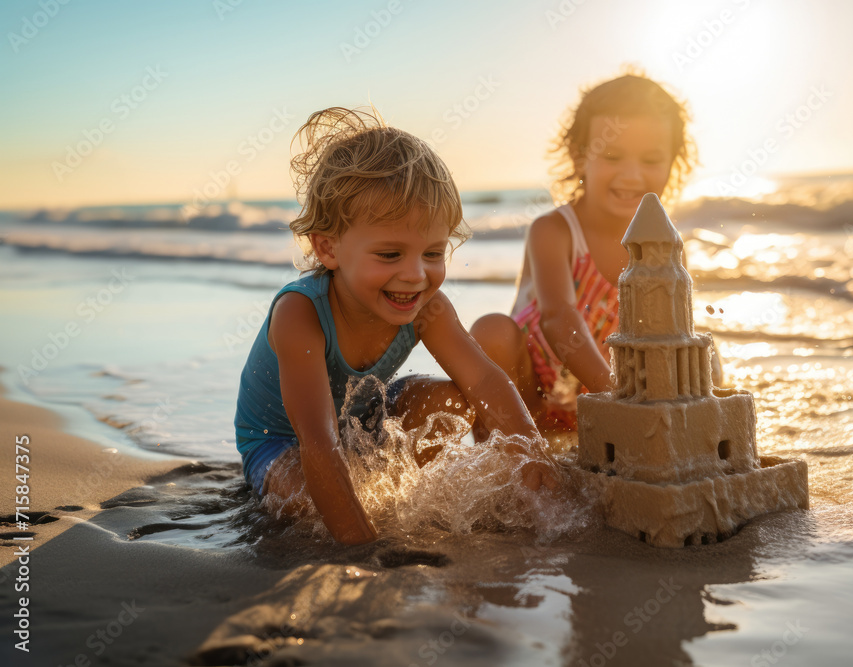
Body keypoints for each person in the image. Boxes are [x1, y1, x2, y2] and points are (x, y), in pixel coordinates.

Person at [234, 107, 561, 545]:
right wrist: (365, 547)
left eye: (432, 253)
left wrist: (532, 454)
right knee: (308, 506)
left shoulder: (428, 307)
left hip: (363, 417)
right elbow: (317, 437)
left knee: (452, 404)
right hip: (283, 441)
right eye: (390, 255)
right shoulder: (300, 315)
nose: (415, 275)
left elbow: (482, 377)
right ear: (328, 248)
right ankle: (356, 503)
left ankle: (388, 487)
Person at [471, 71, 709, 434]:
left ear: (673, 163)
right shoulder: (555, 231)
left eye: (650, 160)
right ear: (580, 157)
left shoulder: (664, 249)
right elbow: (558, 317)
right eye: (612, 155)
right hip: (533, 396)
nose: (631, 175)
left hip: (614, 400)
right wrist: (611, 393)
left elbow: (666, 340)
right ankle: (514, 452)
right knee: (491, 332)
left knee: (704, 358)